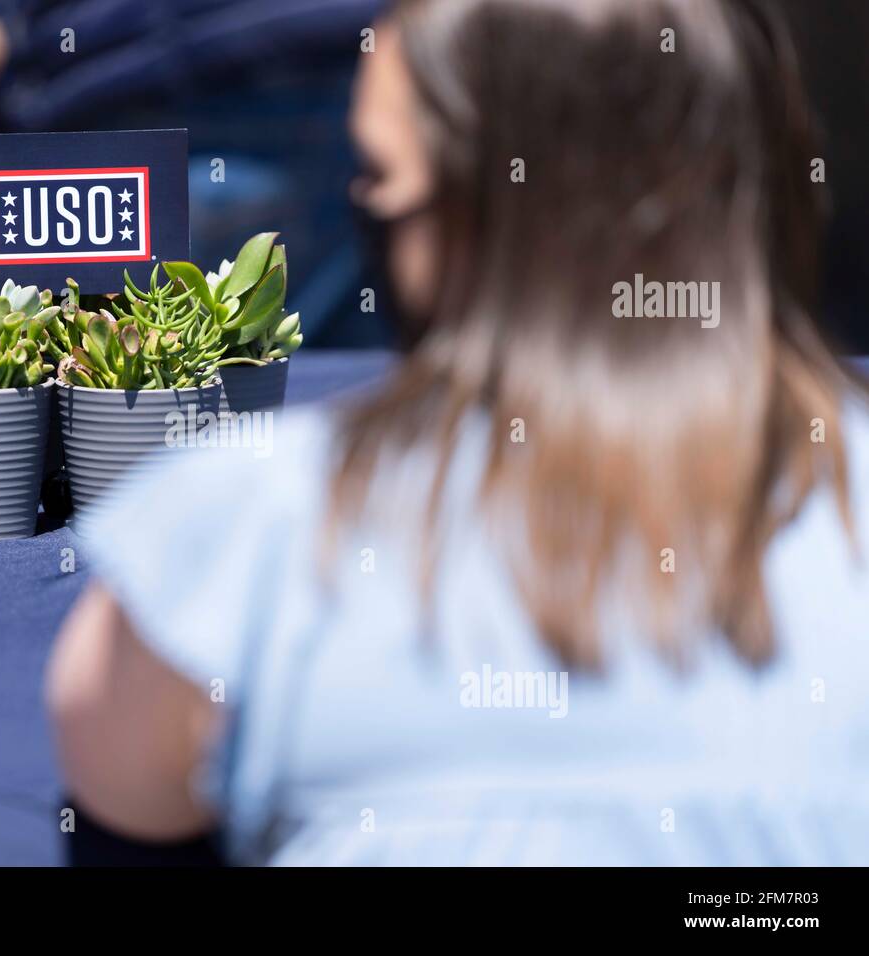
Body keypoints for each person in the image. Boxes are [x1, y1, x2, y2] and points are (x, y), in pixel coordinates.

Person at [45, 0, 869, 865]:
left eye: (378, 174)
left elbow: (116, 776)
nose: (360, 205)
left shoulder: (254, 534)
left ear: (486, 212)